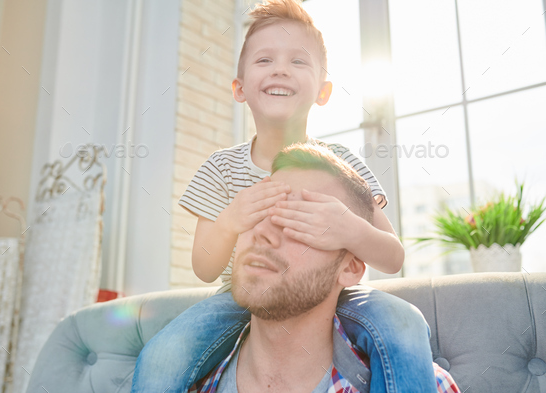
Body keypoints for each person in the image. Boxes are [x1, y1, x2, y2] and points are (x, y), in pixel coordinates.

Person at [131, 1, 436, 392]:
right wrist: (229, 221)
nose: (280, 69)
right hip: (240, 302)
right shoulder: (220, 168)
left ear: (323, 91)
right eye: (264, 60)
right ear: (239, 89)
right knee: (163, 354)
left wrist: (347, 228)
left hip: (329, 298)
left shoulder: (342, 164)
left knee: (404, 321)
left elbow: (392, 257)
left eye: (298, 61)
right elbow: (205, 268)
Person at [187, 144, 460, 392]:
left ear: (351, 268)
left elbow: (392, 255)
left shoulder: (425, 383)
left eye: (302, 220)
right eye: (259, 210)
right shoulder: (188, 383)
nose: (262, 232)